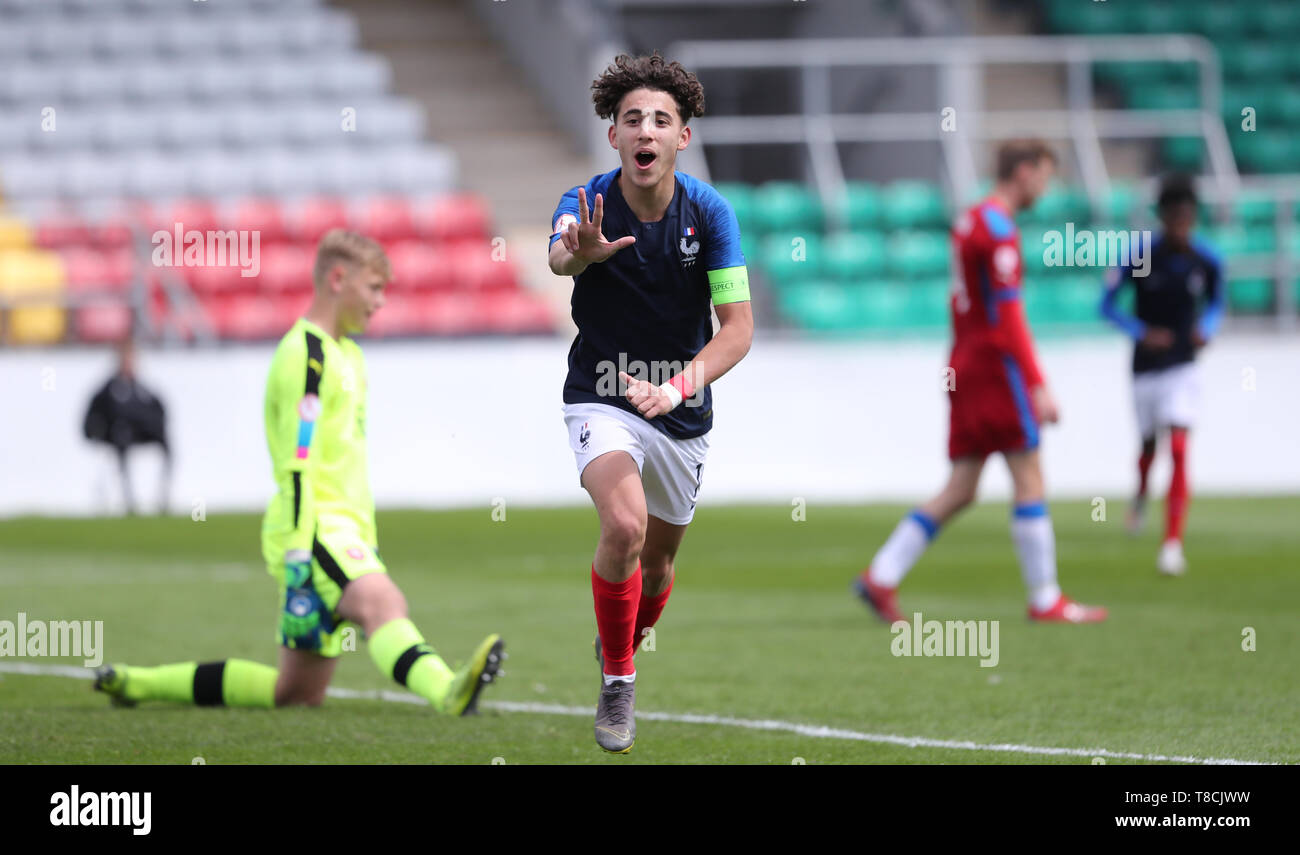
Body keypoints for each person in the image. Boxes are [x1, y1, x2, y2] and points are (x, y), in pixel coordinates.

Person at [95, 230, 504, 713]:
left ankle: (139, 683)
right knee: (383, 603)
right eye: (373, 288)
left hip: (344, 528)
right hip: (312, 528)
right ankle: (446, 691)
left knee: (295, 693)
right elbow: (297, 462)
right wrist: (297, 551)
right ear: (337, 279)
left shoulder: (346, 353)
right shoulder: (305, 358)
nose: (380, 302)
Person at [548, 53, 753, 753]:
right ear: (614, 135)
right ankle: (619, 678)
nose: (646, 129)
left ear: (681, 138)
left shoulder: (710, 213)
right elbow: (559, 258)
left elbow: (739, 330)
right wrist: (585, 255)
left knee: (659, 565)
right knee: (625, 528)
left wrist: (677, 387)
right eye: (632, 118)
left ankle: (619, 639)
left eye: (661, 119)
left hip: (681, 407)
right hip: (600, 395)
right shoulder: (583, 204)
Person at [854, 139, 1107, 625]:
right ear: (1025, 171)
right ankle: (1045, 598)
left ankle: (880, 576)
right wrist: (1037, 382)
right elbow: (1009, 316)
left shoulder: (971, 218)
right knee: (1029, 474)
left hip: (962, 363)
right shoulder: (997, 228)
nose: (1047, 188)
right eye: (1046, 176)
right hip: (994, 365)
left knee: (963, 487)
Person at [1100, 173, 1223, 575]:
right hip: (1145, 370)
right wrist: (1140, 332)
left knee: (1181, 447)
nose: (1182, 226)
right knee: (1149, 446)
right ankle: (1139, 495)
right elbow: (1106, 306)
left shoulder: (1207, 260)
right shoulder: (1140, 257)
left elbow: (1217, 303)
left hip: (1184, 367)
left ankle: (1172, 542)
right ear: (1164, 218)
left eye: (1188, 217)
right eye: (1175, 218)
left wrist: (1207, 327)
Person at [82, 337, 171, 515]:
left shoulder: (141, 388)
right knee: (122, 437)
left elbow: (159, 408)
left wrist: (153, 426)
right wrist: (98, 433)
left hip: (138, 432)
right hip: (117, 436)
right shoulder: (109, 390)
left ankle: (162, 498)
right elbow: (94, 417)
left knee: (166, 443)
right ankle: (128, 500)